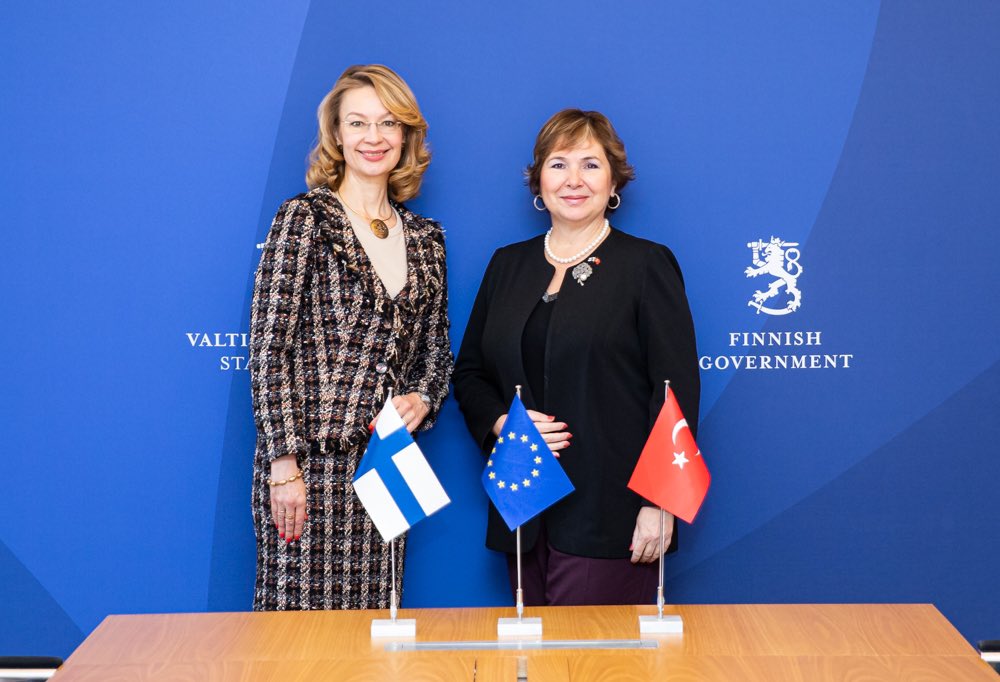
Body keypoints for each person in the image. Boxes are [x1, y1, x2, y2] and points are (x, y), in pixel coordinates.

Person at [453, 109, 699, 606]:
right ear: (538, 182)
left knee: (594, 651)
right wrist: (501, 422)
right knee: (528, 647)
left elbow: (674, 393)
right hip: (522, 504)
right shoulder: (507, 264)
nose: (573, 180)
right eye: (558, 164)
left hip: (615, 513)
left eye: (590, 164)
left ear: (614, 182)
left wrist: (661, 502)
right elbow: (471, 373)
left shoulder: (646, 265)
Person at [249, 64, 452, 611]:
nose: (373, 137)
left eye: (388, 123)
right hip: (307, 470)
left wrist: (424, 397)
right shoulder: (304, 219)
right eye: (358, 122)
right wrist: (282, 464)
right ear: (336, 134)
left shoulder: (427, 239)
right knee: (296, 641)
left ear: (405, 135)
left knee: (379, 630)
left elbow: (435, 352)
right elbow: (270, 350)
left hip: (388, 464)